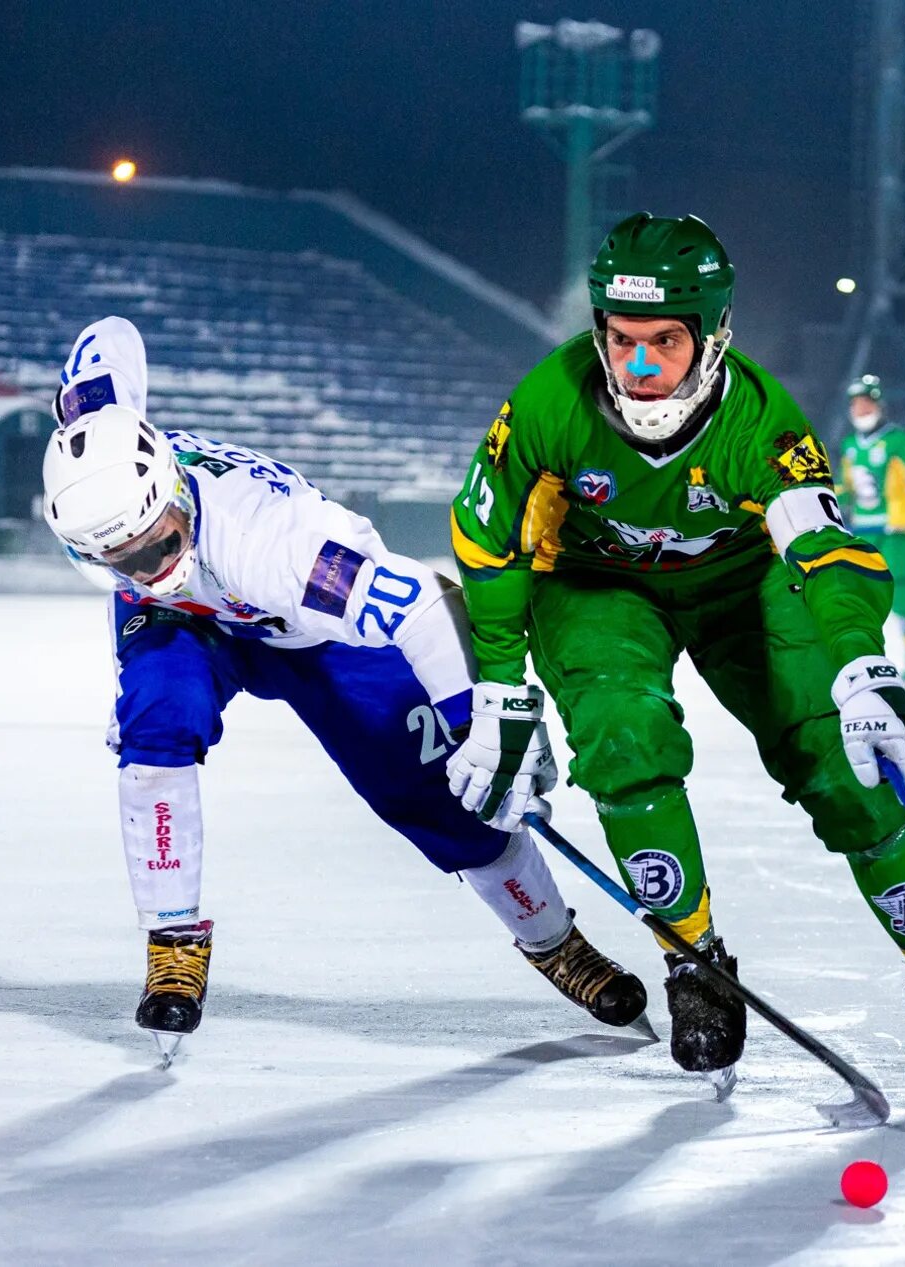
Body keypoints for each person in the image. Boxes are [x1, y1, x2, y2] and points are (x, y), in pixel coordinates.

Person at [446, 213, 905, 1088]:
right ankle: (695, 964)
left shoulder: (763, 424)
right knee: (622, 740)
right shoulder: (545, 406)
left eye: (664, 341)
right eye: (620, 340)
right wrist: (500, 693)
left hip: (743, 582)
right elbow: (488, 543)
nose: (640, 367)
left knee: (847, 769)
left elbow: (827, 553)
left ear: (714, 333)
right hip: (598, 586)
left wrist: (858, 666)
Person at [40, 317, 646, 1059]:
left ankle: (552, 939)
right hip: (200, 624)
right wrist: (101, 415)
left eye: (160, 544)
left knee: (441, 799)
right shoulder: (105, 455)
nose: (146, 570)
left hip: (317, 638)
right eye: (117, 562)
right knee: (154, 722)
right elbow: (110, 334)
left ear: (174, 493)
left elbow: (425, 603)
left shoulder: (288, 549)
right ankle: (171, 939)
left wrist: (478, 722)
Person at [837, 375, 905, 688]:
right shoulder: (851, 446)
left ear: (878, 405)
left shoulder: (898, 441)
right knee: (860, 600)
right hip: (865, 529)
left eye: (866, 402)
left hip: (897, 528)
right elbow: (844, 488)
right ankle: (868, 665)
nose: (861, 408)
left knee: (901, 596)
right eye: (856, 403)